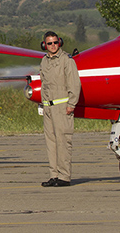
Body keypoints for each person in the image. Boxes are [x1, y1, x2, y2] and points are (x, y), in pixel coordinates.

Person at [38, 31, 80, 187]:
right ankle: (54, 175)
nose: (53, 46)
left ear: (59, 42)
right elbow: (44, 84)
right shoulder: (44, 61)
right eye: (49, 43)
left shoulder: (67, 61)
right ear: (44, 45)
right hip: (48, 107)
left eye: (55, 42)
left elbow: (74, 83)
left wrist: (71, 104)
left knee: (63, 142)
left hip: (62, 107)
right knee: (51, 143)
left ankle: (64, 176)